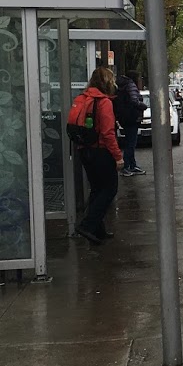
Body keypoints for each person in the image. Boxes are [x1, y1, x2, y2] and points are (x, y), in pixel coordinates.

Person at [69, 67, 124, 244]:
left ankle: (98, 230)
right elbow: (108, 133)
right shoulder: (104, 102)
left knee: (97, 189)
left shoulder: (82, 98)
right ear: (107, 81)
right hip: (101, 152)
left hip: (84, 150)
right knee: (109, 189)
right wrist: (118, 156)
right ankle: (87, 225)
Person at [114, 70, 144, 176]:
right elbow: (134, 100)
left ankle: (132, 164)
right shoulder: (131, 85)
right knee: (131, 143)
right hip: (131, 117)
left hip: (124, 117)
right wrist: (143, 106)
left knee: (129, 142)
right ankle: (127, 166)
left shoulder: (122, 85)